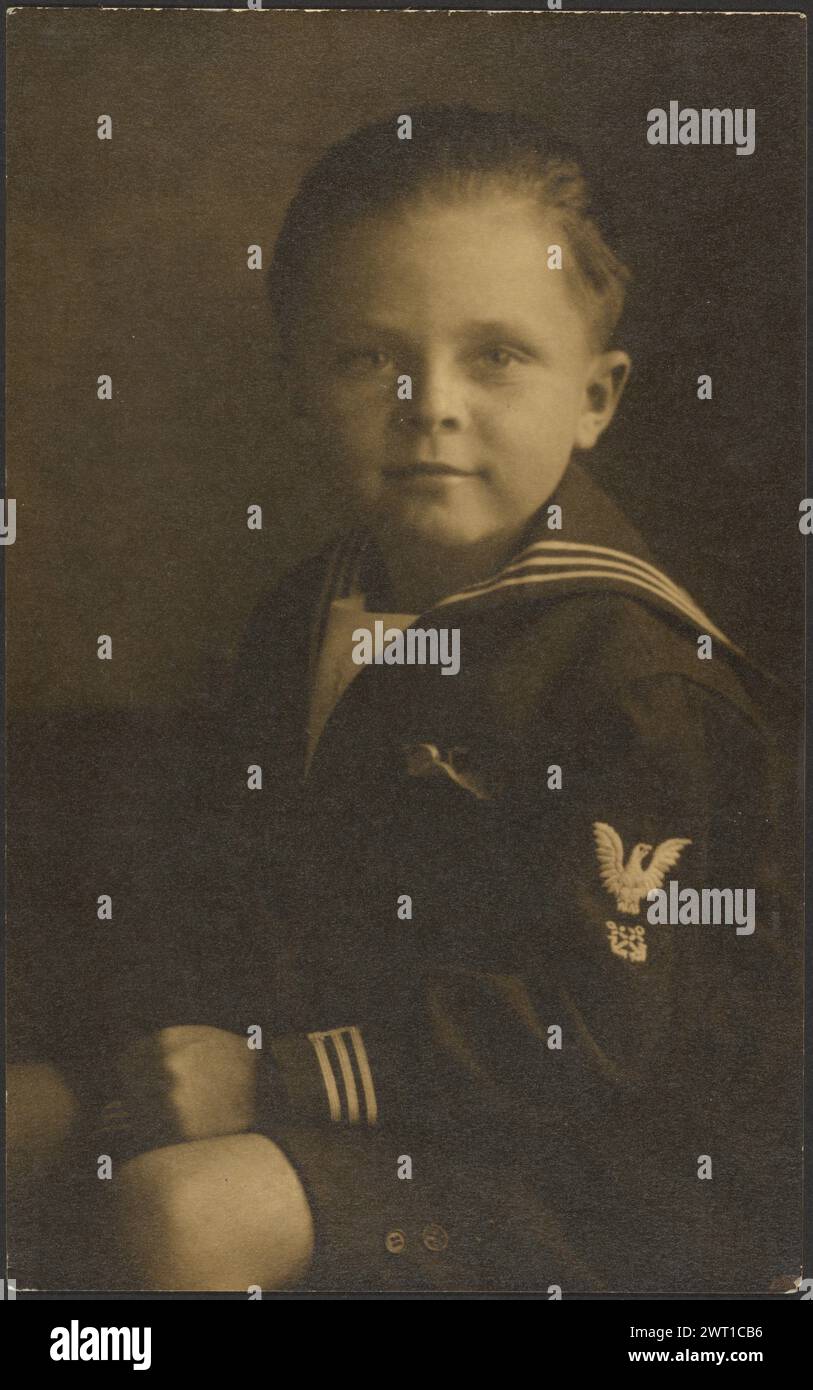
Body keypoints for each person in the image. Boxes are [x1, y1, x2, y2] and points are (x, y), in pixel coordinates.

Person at [92, 106, 802, 1292]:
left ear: (596, 396)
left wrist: (272, 1079)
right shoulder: (304, 612)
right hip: (395, 1114)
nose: (431, 402)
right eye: (370, 358)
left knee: (184, 1216)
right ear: (297, 385)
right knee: (38, 1111)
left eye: (498, 355)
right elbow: (236, 886)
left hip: (603, 1170)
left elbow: (596, 1033)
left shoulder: (635, 676)